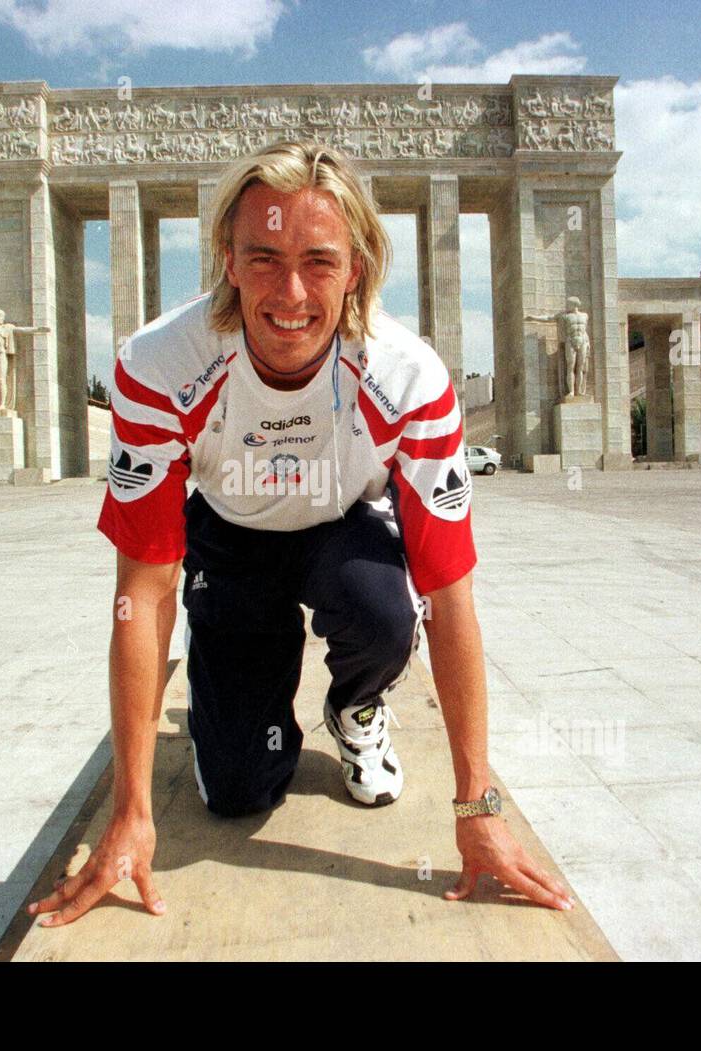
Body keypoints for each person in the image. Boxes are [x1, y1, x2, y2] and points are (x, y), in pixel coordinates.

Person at [29, 141, 574, 927]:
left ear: (356, 266)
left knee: (386, 610)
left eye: (319, 261)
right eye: (264, 257)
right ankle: (255, 687)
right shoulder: (154, 367)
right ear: (226, 257)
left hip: (340, 527)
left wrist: (476, 805)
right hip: (231, 534)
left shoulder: (410, 378)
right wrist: (131, 813)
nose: (291, 293)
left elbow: (451, 597)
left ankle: (355, 705)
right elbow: (141, 596)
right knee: (237, 790)